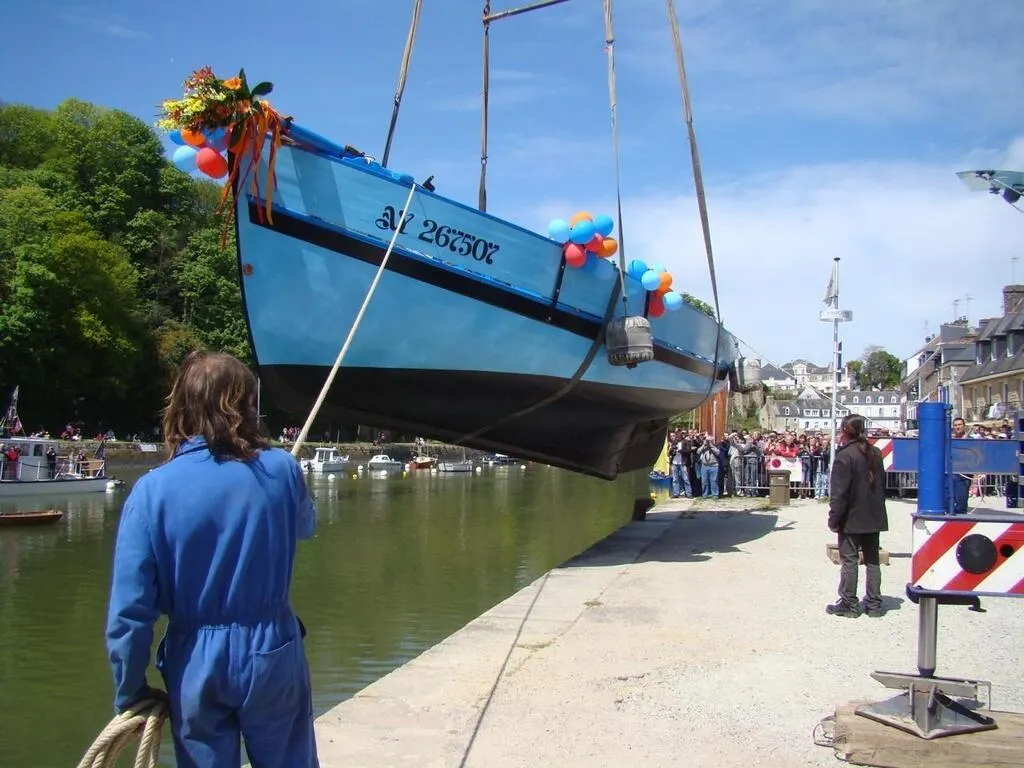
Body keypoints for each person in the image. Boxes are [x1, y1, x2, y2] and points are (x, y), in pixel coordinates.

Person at [105, 350, 319, 767]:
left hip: (195, 660)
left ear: (181, 407)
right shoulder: (282, 470)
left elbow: (129, 614)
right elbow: (305, 527)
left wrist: (130, 690)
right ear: (247, 407)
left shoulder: (151, 492)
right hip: (273, 649)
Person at [826, 414, 888, 618]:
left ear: (844, 430)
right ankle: (874, 604)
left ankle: (849, 603)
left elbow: (839, 493)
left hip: (852, 516)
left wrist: (834, 519)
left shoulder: (845, 456)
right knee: (872, 561)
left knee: (850, 561)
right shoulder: (876, 452)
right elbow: (882, 486)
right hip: (873, 514)